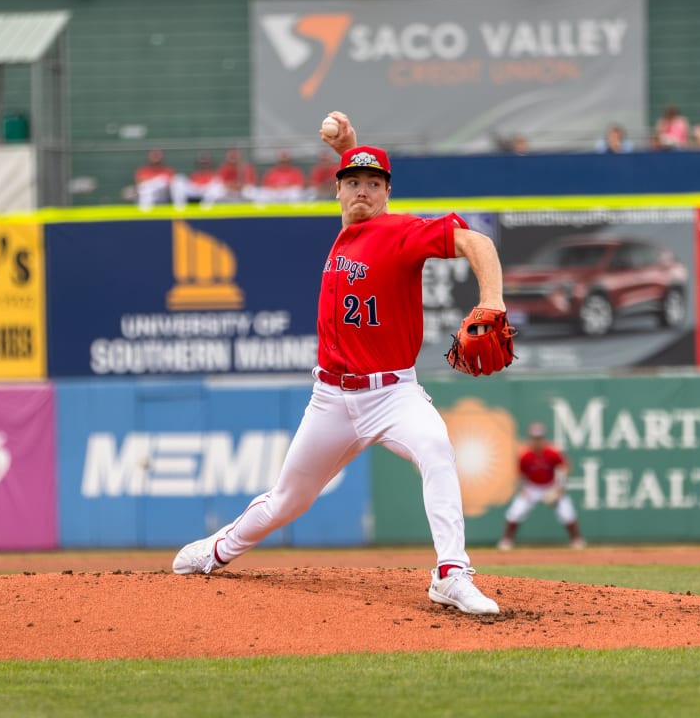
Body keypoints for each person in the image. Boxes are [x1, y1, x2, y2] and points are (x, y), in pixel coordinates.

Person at [172, 110, 509, 616]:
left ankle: (451, 573)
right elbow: (354, 191)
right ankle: (217, 550)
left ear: (388, 193)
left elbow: (475, 241)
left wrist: (493, 301)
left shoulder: (401, 232)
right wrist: (348, 147)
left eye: (374, 184)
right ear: (338, 191)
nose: (362, 192)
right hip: (330, 398)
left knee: (437, 447)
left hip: (393, 394)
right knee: (288, 500)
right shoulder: (347, 231)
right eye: (353, 182)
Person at [496, 422, 585, 551]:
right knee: (515, 511)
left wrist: (559, 488)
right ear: (530, 438)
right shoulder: (525, 454)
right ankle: (507, 540)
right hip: (532, 487)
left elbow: (565, 467)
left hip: (550, 486)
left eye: (539, 438)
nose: (537, 441)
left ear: (544, 438)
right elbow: (519, 474)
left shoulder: (552, 452)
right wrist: (523, 490)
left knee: (567, 512)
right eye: (534, 438)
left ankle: (576, 540)